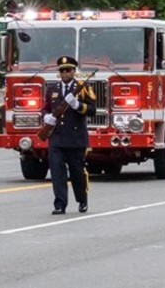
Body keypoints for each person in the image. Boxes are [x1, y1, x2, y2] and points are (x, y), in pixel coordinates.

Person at [42, 55, 96, 215]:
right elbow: (45, 107)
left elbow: (92, 110)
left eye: (68, 70)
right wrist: (46, 116)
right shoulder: (53, 89)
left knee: (77, 173)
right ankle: (60, 204)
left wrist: (78, 105)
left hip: (75, 138)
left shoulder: (83, 88)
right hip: (56, 138)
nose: (65, 73)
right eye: (62, 71)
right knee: (57, 173)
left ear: (74, 71)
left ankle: (82, 200)